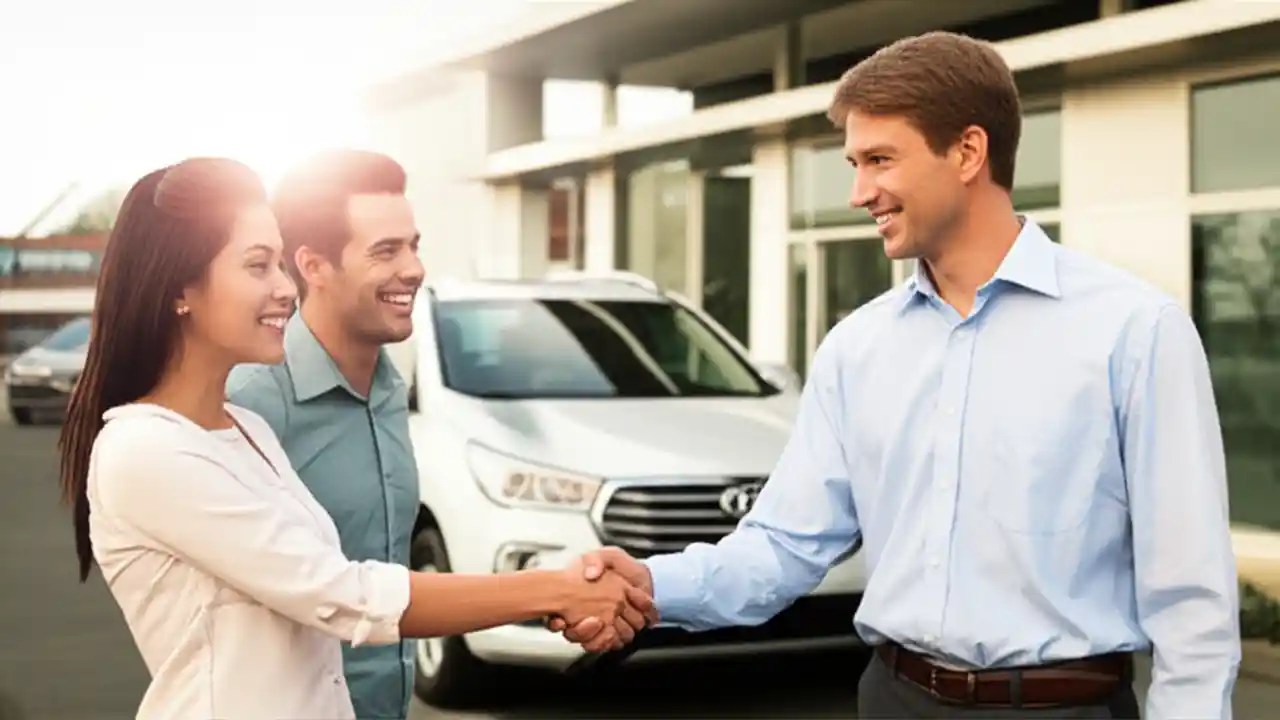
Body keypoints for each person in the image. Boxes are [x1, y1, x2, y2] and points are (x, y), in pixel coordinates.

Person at [552, 31, 1240, 719]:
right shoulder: (857, 348)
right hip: (892, 700)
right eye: (854, 163)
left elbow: (1191, 601)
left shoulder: (1134, 330)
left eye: (880, 159)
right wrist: (646, 583)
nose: (858, 193)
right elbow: (782, 549)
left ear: (969, 151)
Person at [58, 157, 655, 720]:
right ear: (179, 290)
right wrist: (555, 589)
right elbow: (342, 594)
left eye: (280, 266)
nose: (286, 289)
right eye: (256, 265)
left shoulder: (247, 430)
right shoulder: (145, 451)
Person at [225, 149, 422, 719]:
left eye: (414, 244)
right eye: (386, 250)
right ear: (312, 266)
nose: (412, 268)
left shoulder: (389, 388)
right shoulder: (252, 400)